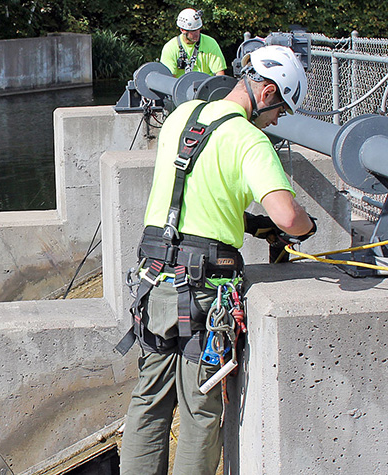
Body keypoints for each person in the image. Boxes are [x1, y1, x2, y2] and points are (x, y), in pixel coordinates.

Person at [116, 45, 316, 474]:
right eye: (280, 109)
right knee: (200, 411)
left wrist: (250, 224)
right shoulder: (250, 139)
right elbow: (289, 217)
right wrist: (305, 226)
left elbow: (194, 194)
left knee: (149, 400)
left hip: (154, 279)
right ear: (266, 92)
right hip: (203, 292)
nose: (277, 120)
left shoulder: (182, 116)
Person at [160, 8, 227, 77]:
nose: (197, 34)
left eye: (198, 29)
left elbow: (219, 73)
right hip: (181, 84)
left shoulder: (210, 43)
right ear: (182, 30)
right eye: (193, 31)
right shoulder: (170, 48)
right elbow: (169, 78)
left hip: (206, 83)